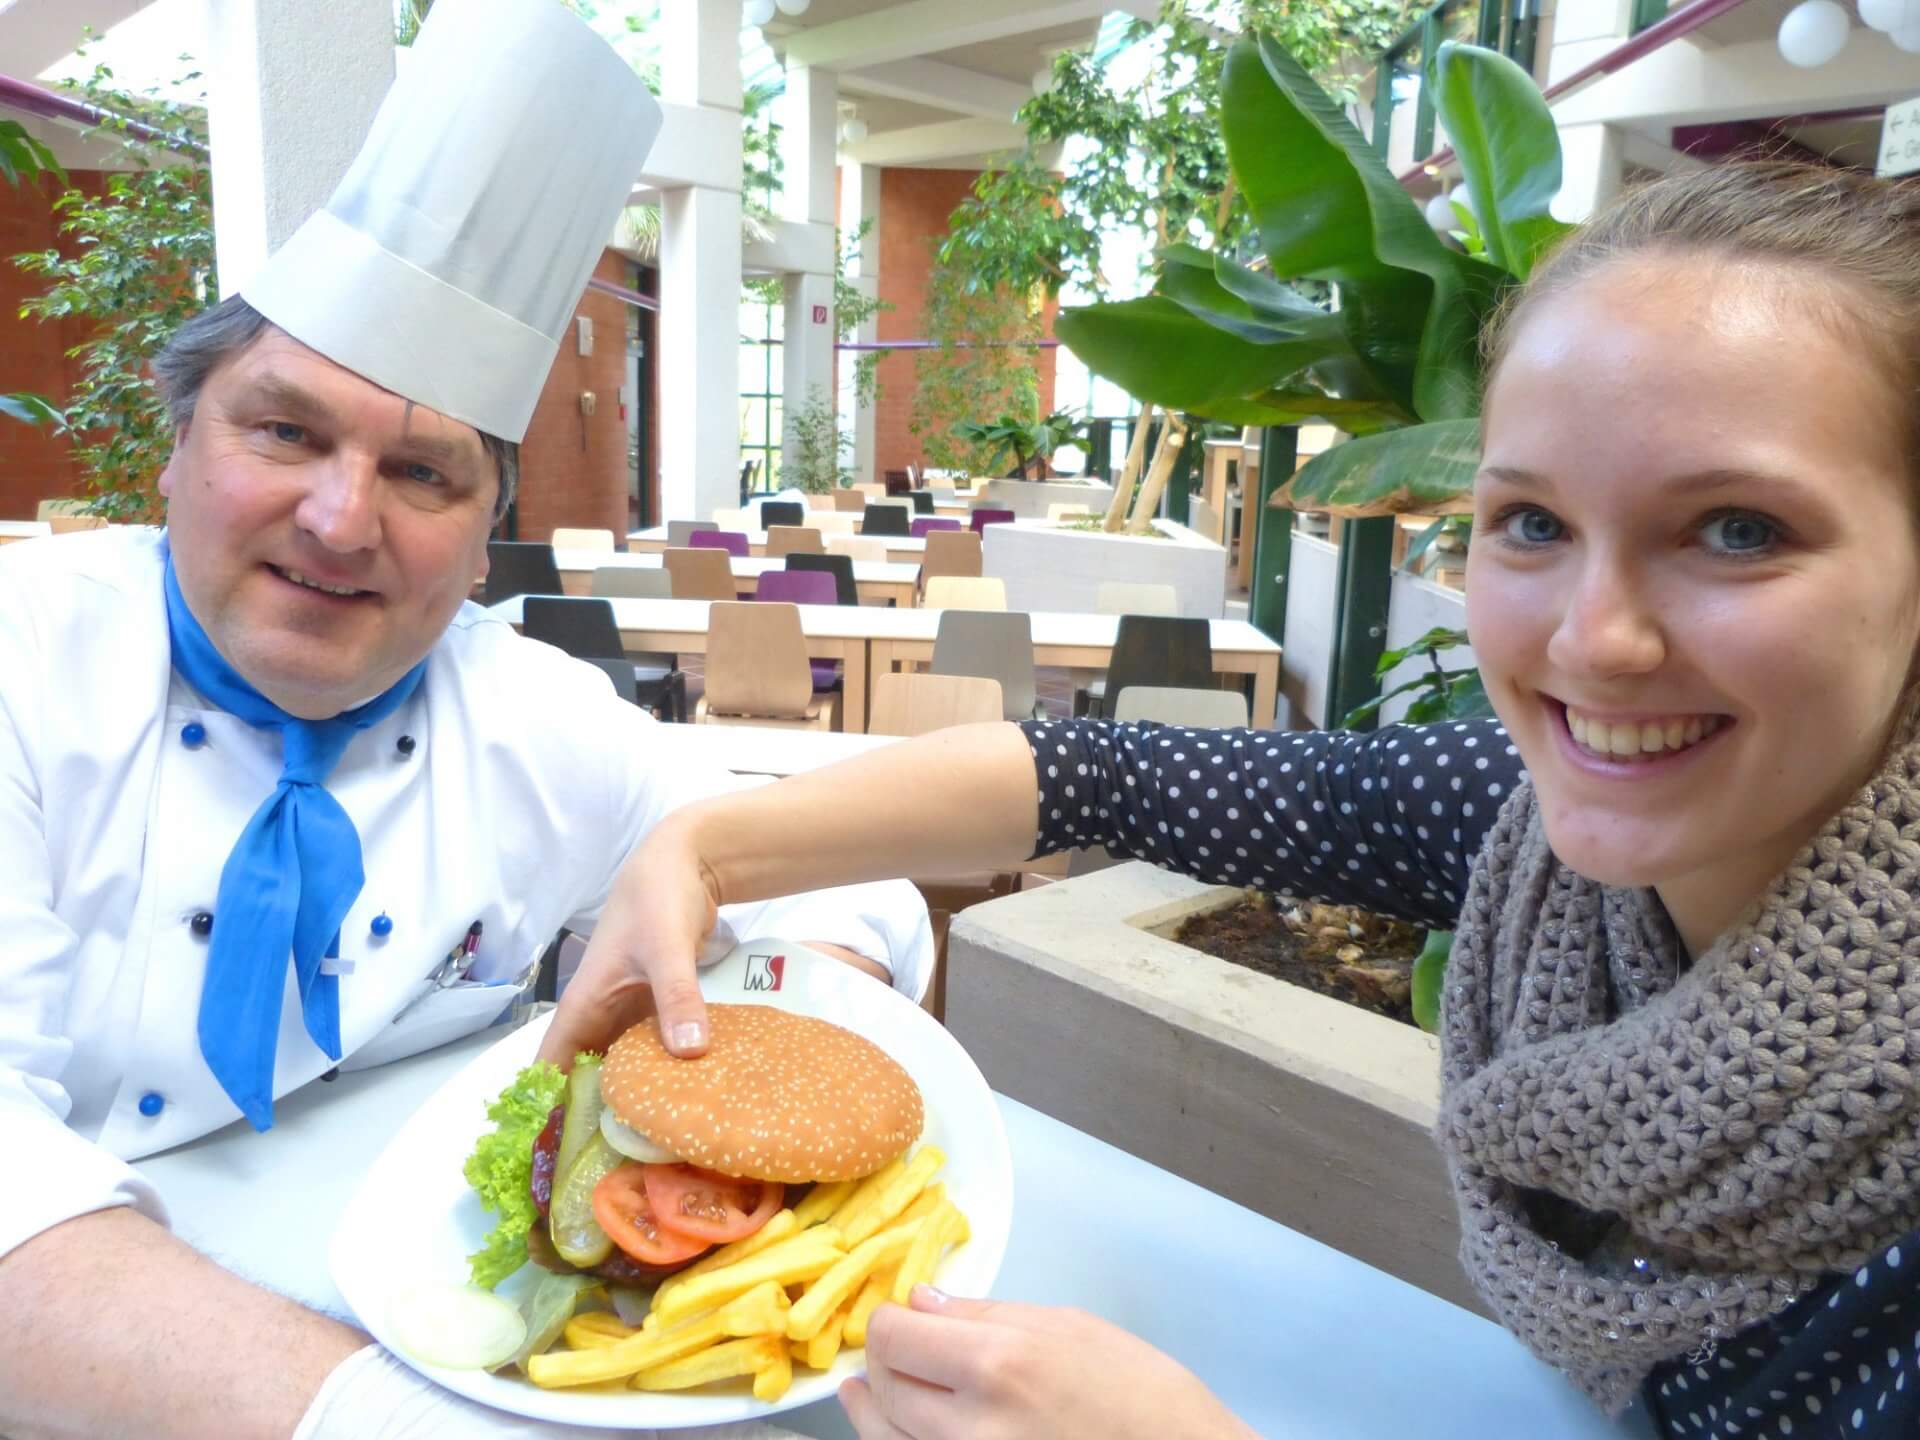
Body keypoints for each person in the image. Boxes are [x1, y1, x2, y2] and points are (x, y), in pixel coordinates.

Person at [547, 159, 1920, 1439]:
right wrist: (706, 848)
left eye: (1739, 530)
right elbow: (1099, 773)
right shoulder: (1519, 828)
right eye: (1533, 524)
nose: (1594, 640)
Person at [0, 4, 927, 1438]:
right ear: (173, 448)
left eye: (423, 473)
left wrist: (774, 1040)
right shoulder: (25, 660)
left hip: (421, 1306)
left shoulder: (529, 713)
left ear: (485, 537)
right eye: (285, 431)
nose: (339, 520)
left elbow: (834, 880)